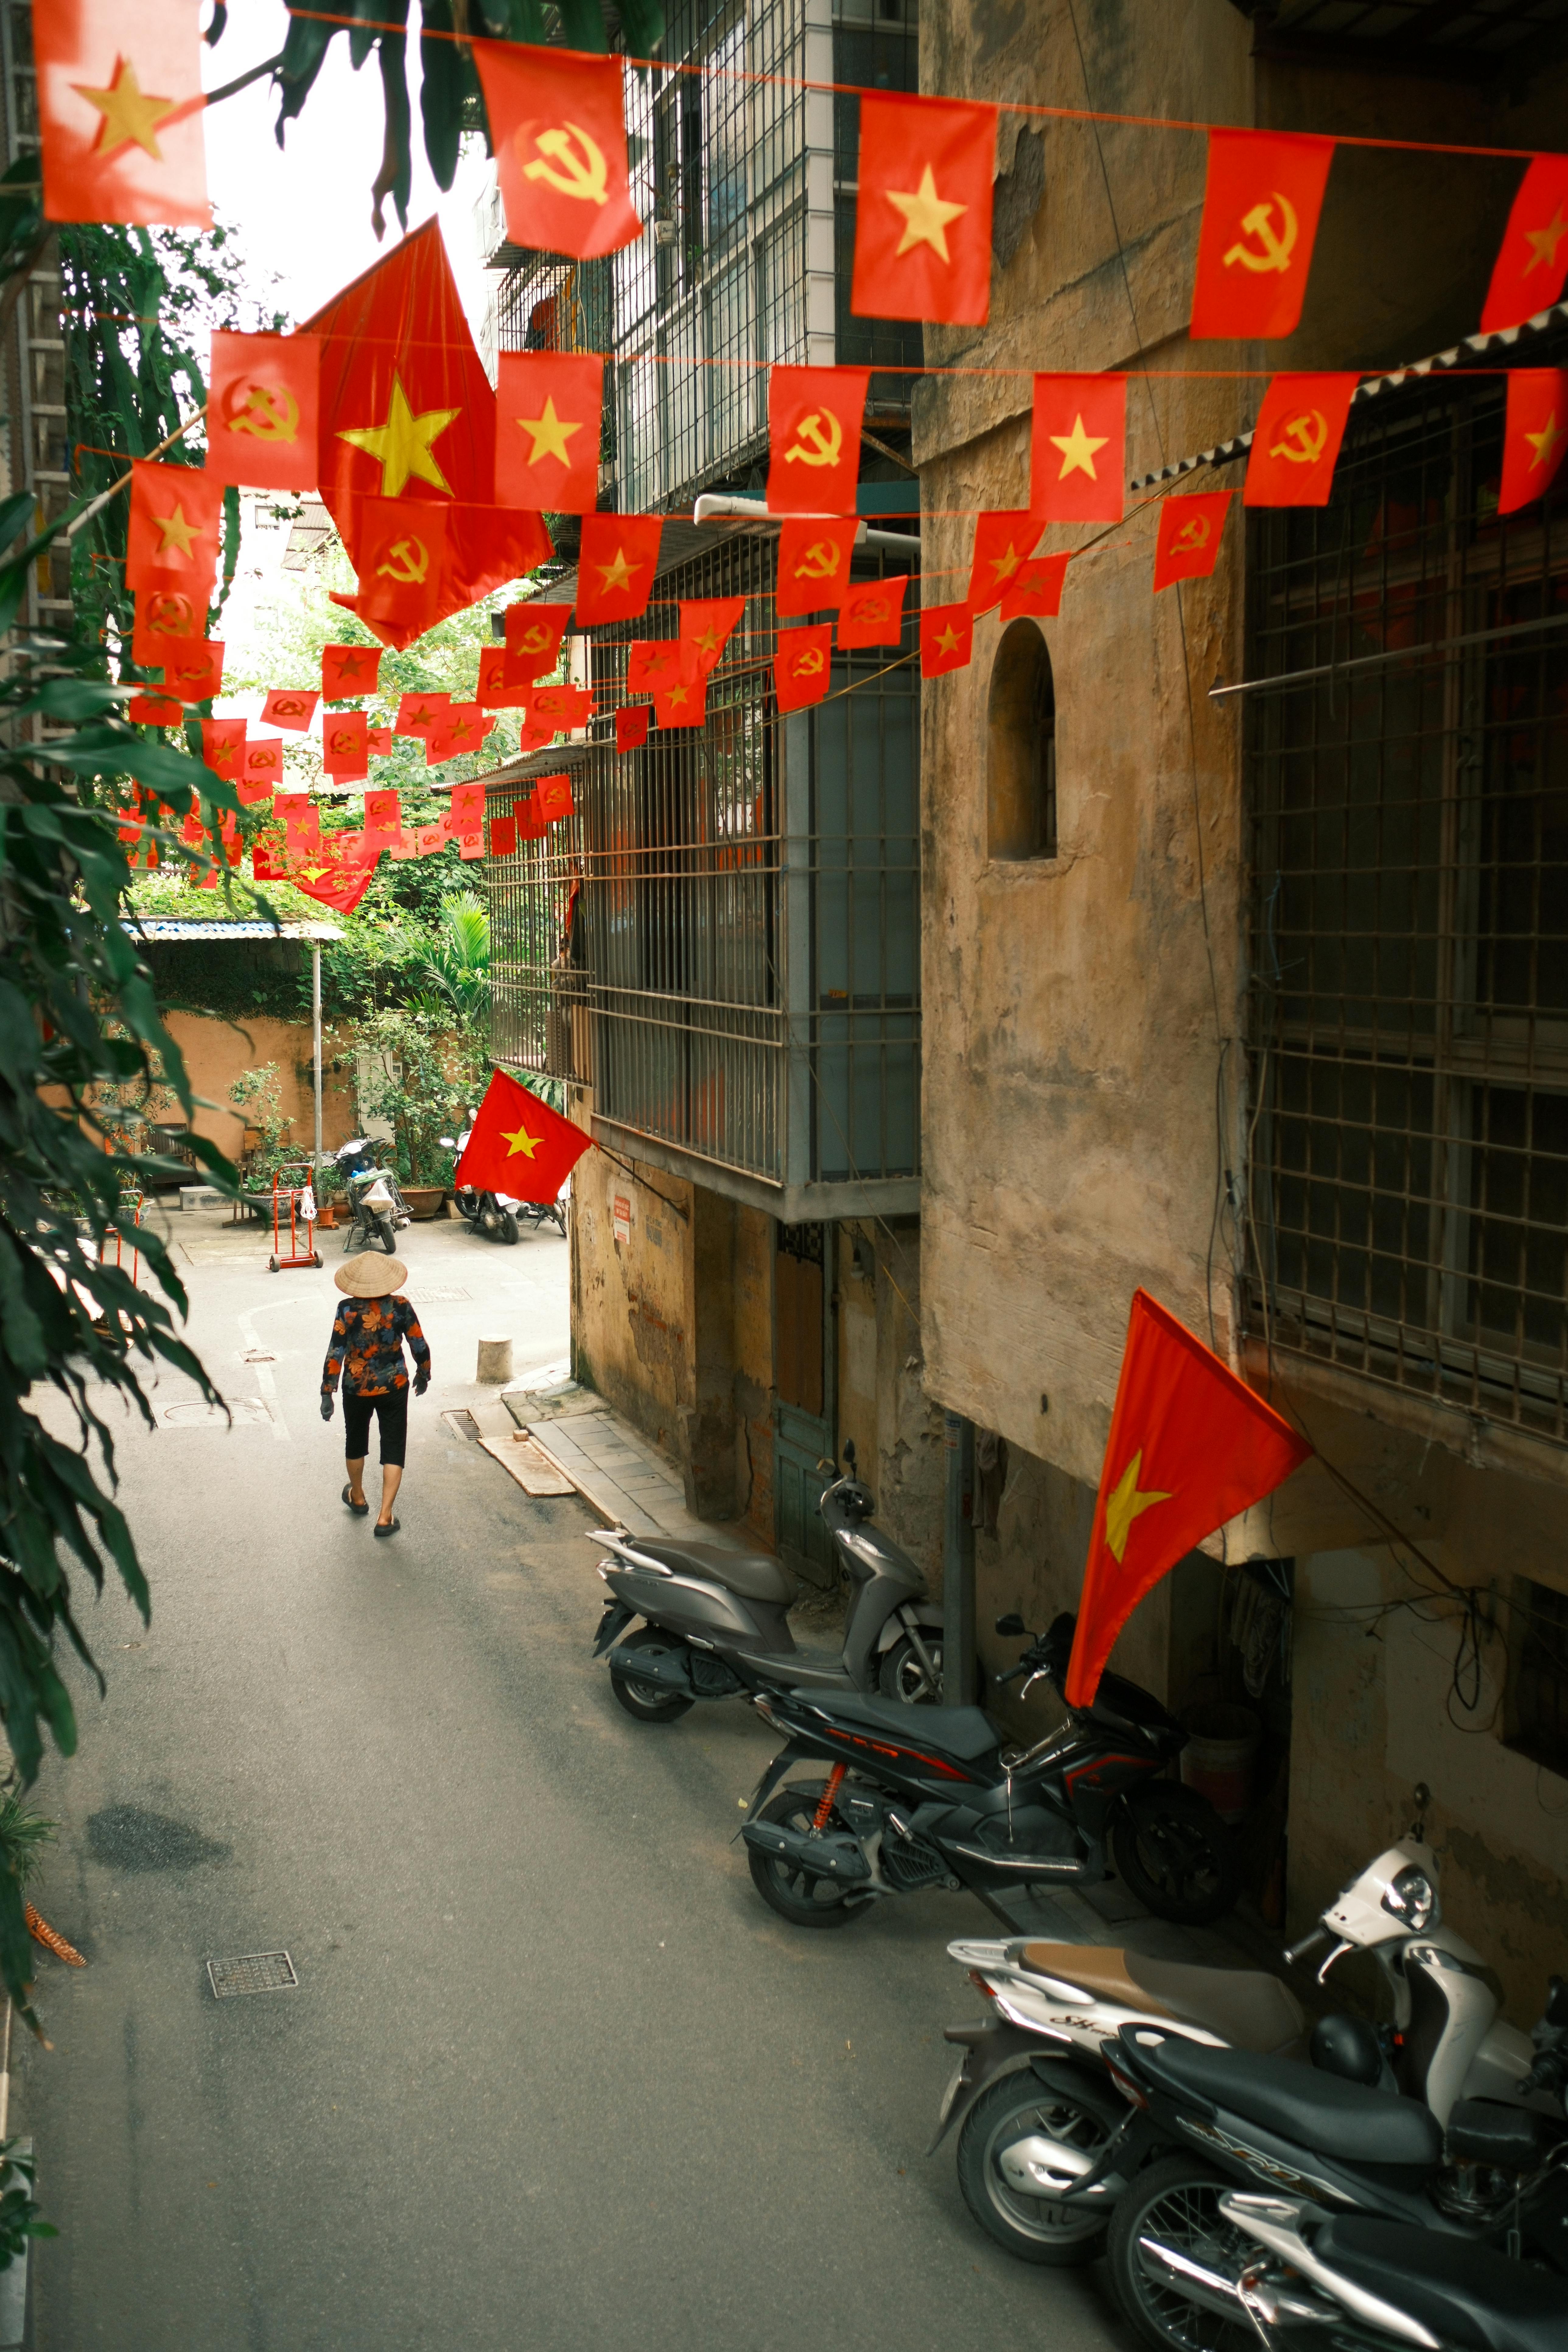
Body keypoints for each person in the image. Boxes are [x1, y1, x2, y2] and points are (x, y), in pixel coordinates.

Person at [320, 1253, 430, 1537]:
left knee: (355, 1440)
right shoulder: (401, 1307)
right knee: (393, 1446)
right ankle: (385, 1517)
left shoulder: (346, 1310)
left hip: (356, 1388)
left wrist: (327, 1392)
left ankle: (357, 1497)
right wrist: (424, 1373)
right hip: (394, 1386)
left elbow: (336, 1351)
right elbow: (418, 1343)